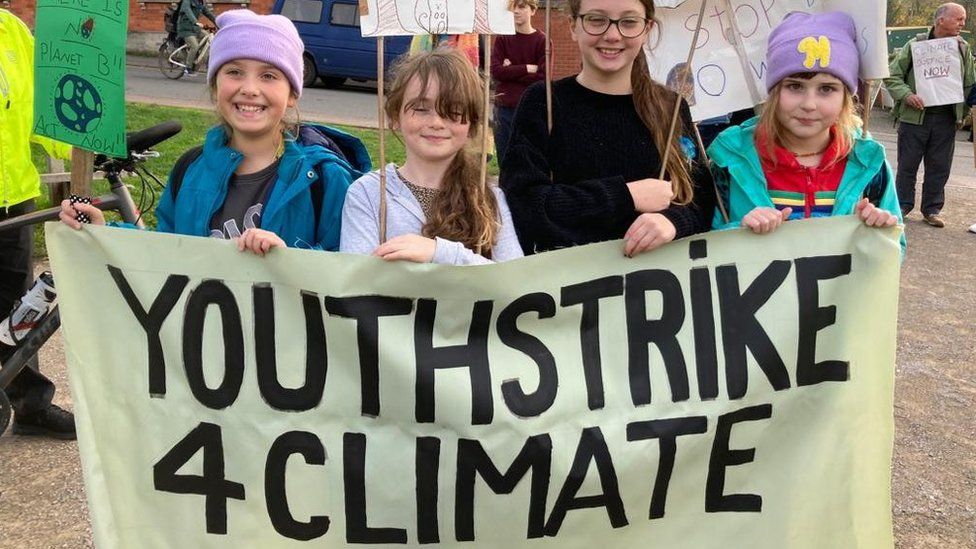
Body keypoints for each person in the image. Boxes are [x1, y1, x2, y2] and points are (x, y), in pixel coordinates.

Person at [62, 9, 370, 255]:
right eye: (234, 72)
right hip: (205, 333)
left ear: (292, 93)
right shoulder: (189, 170)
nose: (250, 89)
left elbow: (349, 269)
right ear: (215, 85)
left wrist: (288, 261)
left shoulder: (324, 179)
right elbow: (168, 252)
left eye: (269, 75)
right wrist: (102, 233)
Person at [499, 0, 715, 257]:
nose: (612, 35)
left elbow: (701, 200)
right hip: (568, 287)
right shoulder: (542, 103)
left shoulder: (671, 107)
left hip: (657, 285)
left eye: (629, 22)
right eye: (596, 20)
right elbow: (524, 206)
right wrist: (625, 195)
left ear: (646, 29)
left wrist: (674, 221)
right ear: (573, 26)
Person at [708, 11, 904, 251]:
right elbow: (701, 245)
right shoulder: (730, 161)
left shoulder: (868, 163)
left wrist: (880, 232)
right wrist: (739, 231)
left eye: (826, 89)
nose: (809, 104)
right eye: (794, 86)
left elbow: (896, 250)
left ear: (846, 97)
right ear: (773, 91)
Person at [340, 49, 522, 265]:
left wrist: (440, 253)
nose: (437, 122)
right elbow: (358, 284)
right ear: (395, 116)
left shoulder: (489, 198)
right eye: (421, 108)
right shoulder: (368, 194)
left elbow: (513, 283)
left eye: (453, 110)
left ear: (471, 125)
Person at [0, 9, 76, 439]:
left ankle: (29, 405)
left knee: (19, 307)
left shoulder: (10, 30)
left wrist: (85, 146)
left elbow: (43, 106)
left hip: (14, 197)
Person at [884, 2, 975, 228]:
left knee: (940, 166)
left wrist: (963, 115)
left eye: (963, 19)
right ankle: (902, 206)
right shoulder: (916, 45)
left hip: (946, 119)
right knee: (907, 164)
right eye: (959, 19)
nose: (963, 23)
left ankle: (932, 210)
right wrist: (907, 96)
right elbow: (892, 75)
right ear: (940, 20)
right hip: (914, 117)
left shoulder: (963, 48)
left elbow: (970, 84)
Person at [490, 0, 546, 164]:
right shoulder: (502, 39)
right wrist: (527, 68)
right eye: (512, 8)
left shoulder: (542, 41)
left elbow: (542, 78)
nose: (515, 11)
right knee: (505, 159)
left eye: (521, 7)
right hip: (504, 110)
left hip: (531, 108)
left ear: (533, 10)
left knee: (528, 159)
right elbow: (496, 72)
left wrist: (511, 69)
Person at [177, 0, 217, 75]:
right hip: (185, 28)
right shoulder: (187, 1)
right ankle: (188, 67)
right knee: (194, 46)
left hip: (195, 28)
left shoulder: (200, 3)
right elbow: (188, 11)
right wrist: (195, 22)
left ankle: (196, 57)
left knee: (207, 36)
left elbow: (208, 14)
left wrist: (219, 22)